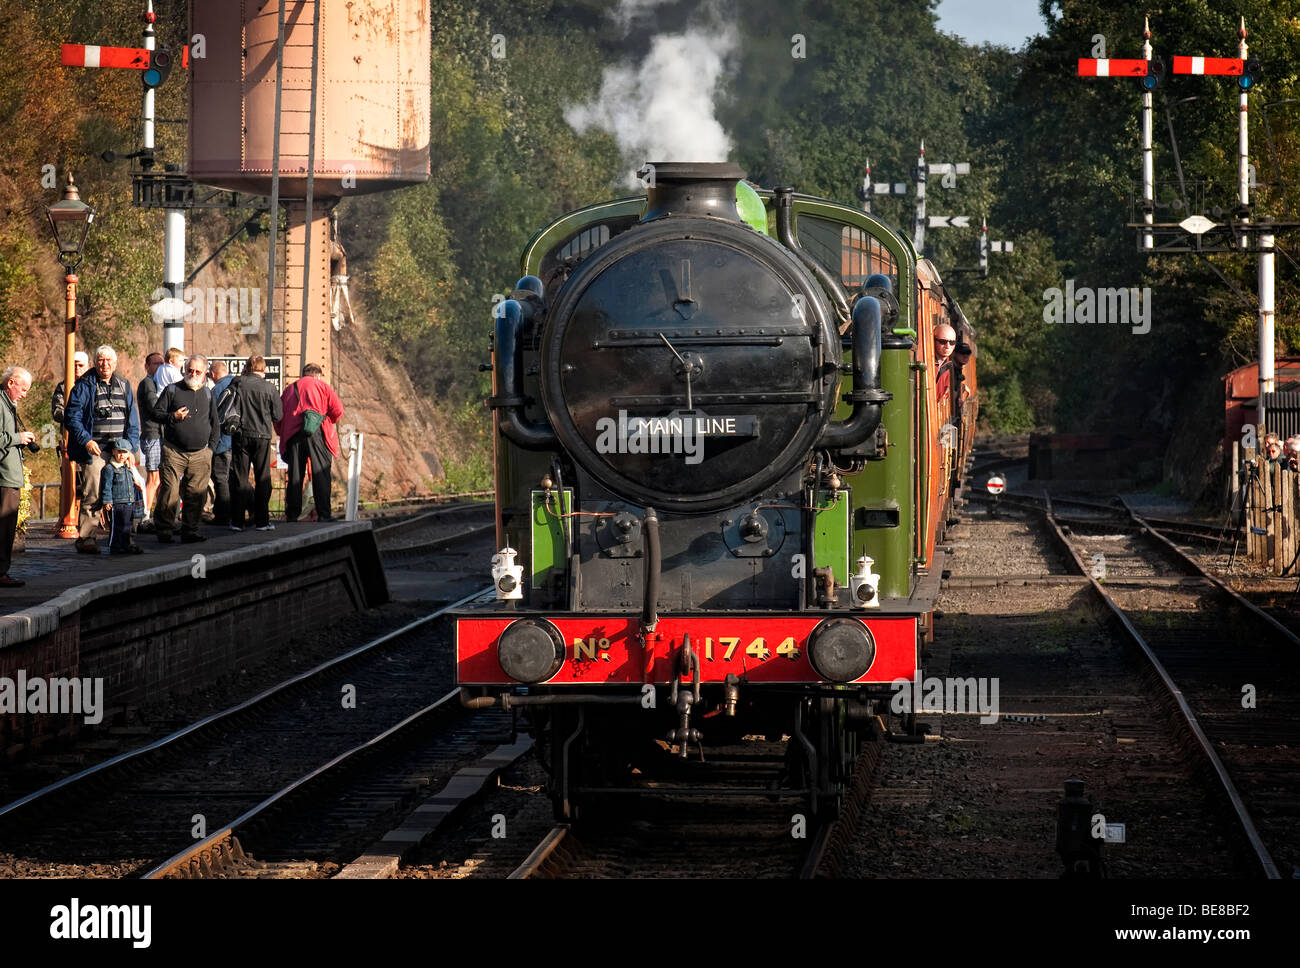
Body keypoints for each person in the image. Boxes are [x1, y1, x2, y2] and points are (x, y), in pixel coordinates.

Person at [65, 346, 141, 554]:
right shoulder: (84, 385)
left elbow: (133, 422)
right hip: (94, 449)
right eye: (100, 360)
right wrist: (86, 441)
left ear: (115, 363)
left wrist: (131, 448)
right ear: (95, 363)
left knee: (125, 496)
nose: (104, 364)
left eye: (108, 360)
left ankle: (125, 539)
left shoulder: (124, 385)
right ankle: (86, 538)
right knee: (94, 493)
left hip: (119, 450)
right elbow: (72, 418)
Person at [152, 354, 219, 544]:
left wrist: (210, 449)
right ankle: (164, 529)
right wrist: (173, 416)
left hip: (201, 453)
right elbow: (156, 413)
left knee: (196, 495)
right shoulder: (172, 390)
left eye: (198, 371)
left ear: (205, 373)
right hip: (174, 451)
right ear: (185, 370)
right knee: (170, 492)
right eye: (190, 370)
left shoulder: (208, 394)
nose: (193, 374)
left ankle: (190, 530)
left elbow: (216, 424)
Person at [276, 363, 344, 523]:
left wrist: (283, 432)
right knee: (321, 473)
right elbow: (338, 410)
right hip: (317, 433)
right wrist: (326, 419)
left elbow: (278, 415)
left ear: (303, 374)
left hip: (294, 435)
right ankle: (323, 514)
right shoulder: (322, 386)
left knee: (295, 476)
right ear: (318, 375)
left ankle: (292, 514)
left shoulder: (289, 390)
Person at [229, 356, 282, 531]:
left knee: (240, 477)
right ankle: (262, 521)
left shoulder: (238, 383)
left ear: (247, 368)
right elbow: (278, 416)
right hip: (262, 436)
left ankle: (237, 521)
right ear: (264, 370)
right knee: (263, 478)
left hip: (241, 435)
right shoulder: (270, 388)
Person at [0, 366, 36, 587]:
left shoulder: (8, 404)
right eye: (23, 389)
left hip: (9, 475)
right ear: (11, 383)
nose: (24, 394)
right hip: (4, 476)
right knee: (3, 529)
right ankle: (1, 573)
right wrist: (18, 437)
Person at [100, 438, 144, 555]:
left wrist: (137, 485)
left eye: (125, 452)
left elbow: (133, 480)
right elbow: (107, 486)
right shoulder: (110, 469)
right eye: (119, 452)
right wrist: (107, 500)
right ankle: (114, 546)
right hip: (117, 502)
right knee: (117, 526)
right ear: (113, 452)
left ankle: (126, 544)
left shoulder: (128, 468)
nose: (122, 455)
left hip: (129, 501)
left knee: (127, 525)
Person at [137, 352, 165, 526]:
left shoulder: (156, 383)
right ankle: (145, 516)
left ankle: (158, 514)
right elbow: (156, 408)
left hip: (158, 435)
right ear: (147, 366)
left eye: (162, 363)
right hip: (152, 434)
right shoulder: (148, 384)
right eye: (156, 364)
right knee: (154, 478)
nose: (160, 367)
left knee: (161, 479)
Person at [208, 360, 233, 526]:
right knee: (237, 478)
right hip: (237, 441)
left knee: (220, 478)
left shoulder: (216, 390)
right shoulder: (238, 385)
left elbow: (211, 418)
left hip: (222, 442)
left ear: (212, 374)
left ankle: (223, 515)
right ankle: (252, 509)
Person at [50, 351, 89, 426]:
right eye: (74, 365)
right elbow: (57, 412)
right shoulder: (63, 387)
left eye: (80, 365)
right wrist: (74, 414)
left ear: (87, 367)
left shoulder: (94, 385)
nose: (77, 368)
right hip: (69, 432)